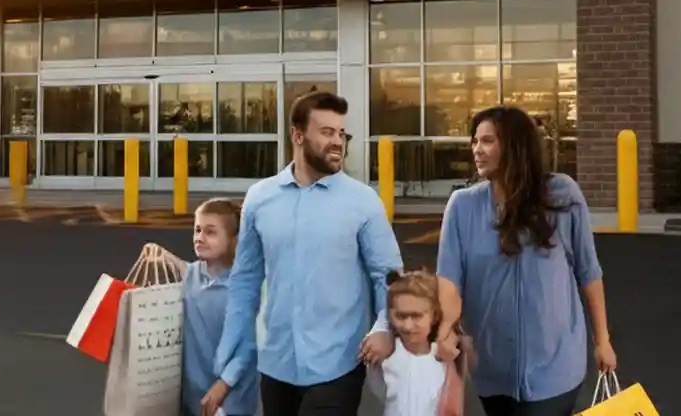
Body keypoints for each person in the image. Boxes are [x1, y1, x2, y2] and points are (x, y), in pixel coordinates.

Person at [214, 91, 404, 416]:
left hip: (338, 362)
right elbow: (244, 283)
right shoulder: (260, 199)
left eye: (341, 133)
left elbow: (387, 274)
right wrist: (228, 359)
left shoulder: (363, 201)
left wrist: (385, 327)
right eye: (327, 132)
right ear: (297, 135)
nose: (337, 142)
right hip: (276, 363)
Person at [434, 105, 617, 416]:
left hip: (557, 366)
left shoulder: (561, 194)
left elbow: (588, 270)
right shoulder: (462, 207)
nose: (477, 150)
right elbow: (449, 278)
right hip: (492, 369)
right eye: (475, 141)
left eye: (488, 141)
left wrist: (603, 340)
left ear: (515, 146)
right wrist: (445, 330)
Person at [160, 198, 260, 416]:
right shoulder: (192, 275)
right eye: (197, 230)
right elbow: (185, 269)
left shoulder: (243, 287)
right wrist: (160, 255)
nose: (200, 238)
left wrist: (223, 385)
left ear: (235, 241)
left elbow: (249, 347)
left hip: (230, 401)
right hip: (191, 396)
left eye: (211, 232)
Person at [367, 269, 471, 416]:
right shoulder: (386, 357)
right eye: (401, 316)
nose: (408, 326)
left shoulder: (445, 358)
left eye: (416, 316)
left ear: (433, 316)